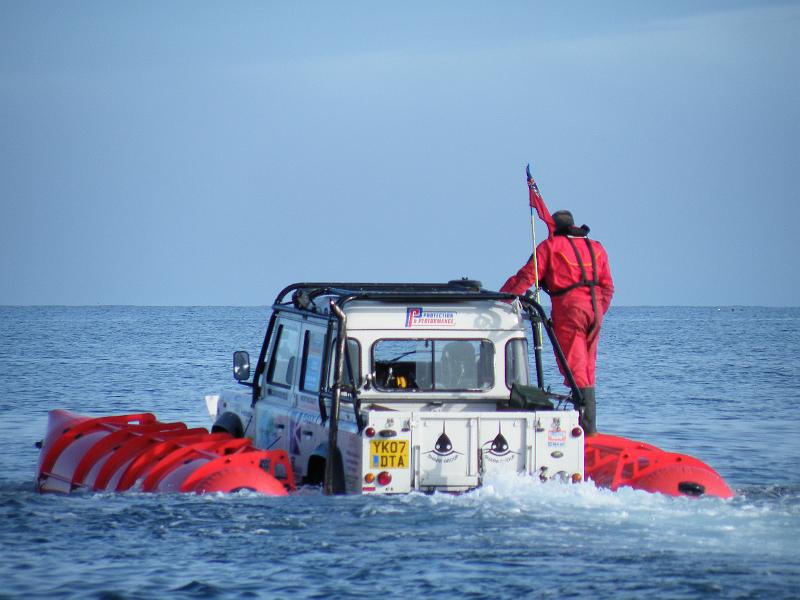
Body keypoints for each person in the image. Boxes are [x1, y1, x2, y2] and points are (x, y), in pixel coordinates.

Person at [500, 210, 614, 434]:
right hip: (595, 311)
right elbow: (608, 287)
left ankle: (586, 429)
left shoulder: (550, 247)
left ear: (554, 227)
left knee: (575, 366)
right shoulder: (597, 248)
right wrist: (599, 311)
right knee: (589, 368)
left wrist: (502, 298)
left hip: (570, 310)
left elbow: (526, 277)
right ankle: (591, 425)